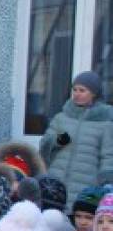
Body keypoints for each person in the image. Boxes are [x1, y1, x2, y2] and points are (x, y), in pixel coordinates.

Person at [40, 71, 113, 207]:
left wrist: (105, 185)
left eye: (82, 90)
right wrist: (58, 140)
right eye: (74, 89)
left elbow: (108, 158)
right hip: (56, 185)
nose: (77, 94)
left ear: (94, 93)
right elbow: (45, 146)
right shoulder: (61, 117)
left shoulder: (105, 123)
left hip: (87, 187)